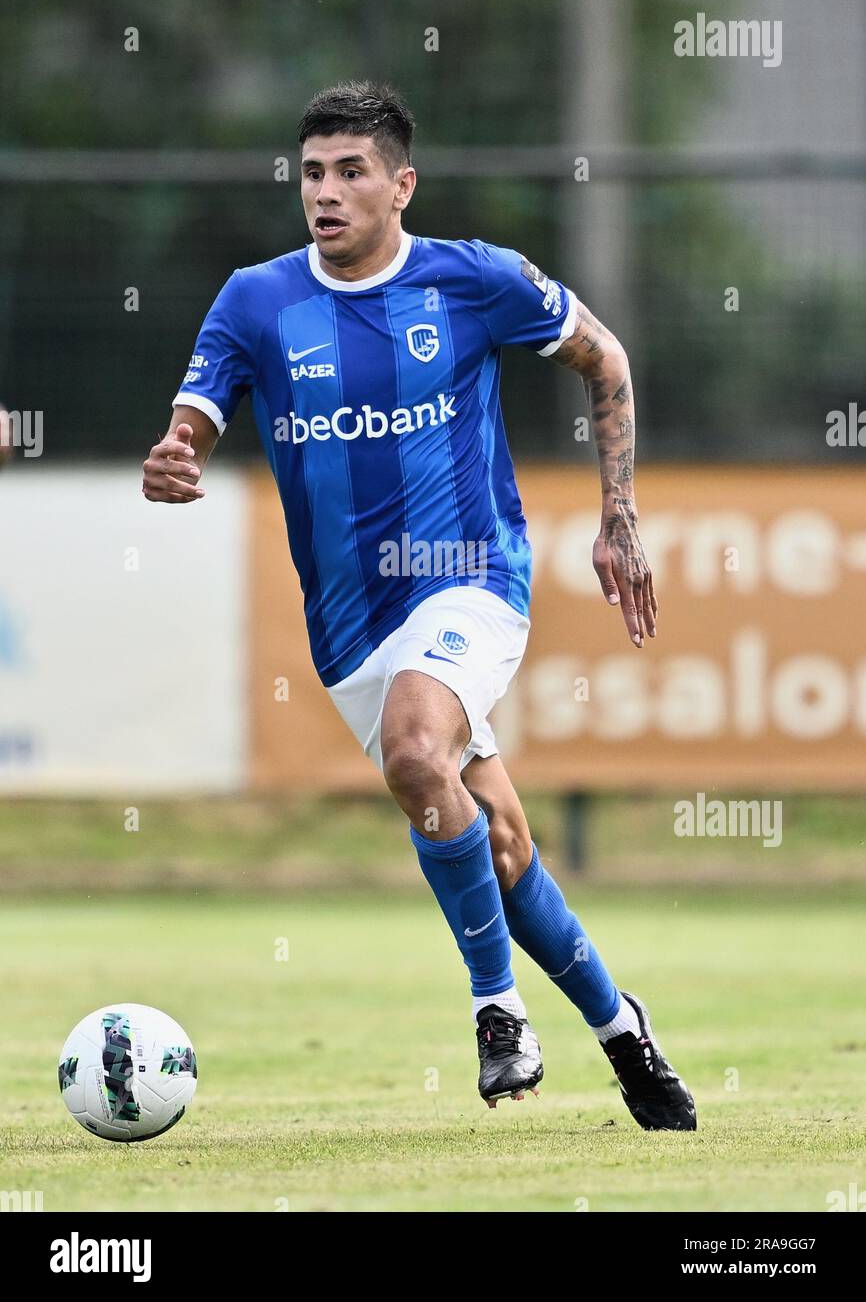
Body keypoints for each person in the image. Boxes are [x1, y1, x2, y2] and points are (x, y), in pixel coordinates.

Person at [142, 81, 695, 1129]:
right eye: (311, 172)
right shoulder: (255, 301)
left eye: (351, 172)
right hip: (349, 624)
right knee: (498, 845)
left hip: (471, 575)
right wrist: (176, 457)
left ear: (401, 185)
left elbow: (603, 356)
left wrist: (618, 512)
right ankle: (622, 1029)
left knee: (411, 750)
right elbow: (193, 422)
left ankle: (496, 1013)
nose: (326, 193)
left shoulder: (472, 279)